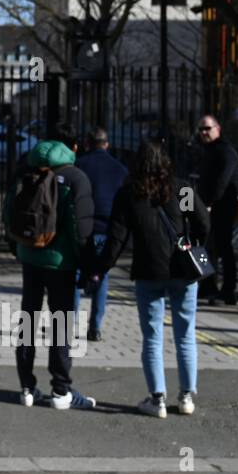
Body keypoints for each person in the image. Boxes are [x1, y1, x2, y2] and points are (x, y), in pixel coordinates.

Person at [93, 141, 209, 418]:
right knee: (185, 334)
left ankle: (157, 399)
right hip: (182, 269)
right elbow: (203, 222)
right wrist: (194, 244)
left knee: (152, 337)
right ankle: (186, 397)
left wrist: (99, 269)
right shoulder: (182, 189)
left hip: (148, 270)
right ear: (165, 163)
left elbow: (116, 239)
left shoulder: (129, 194)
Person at [4, 137, 97, 410]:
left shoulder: (24, 172)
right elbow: (80, 227)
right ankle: (61, 390)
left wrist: (18, 248)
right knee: (60, 325)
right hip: (61, 263)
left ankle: (26, 387)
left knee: (28, 321)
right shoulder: (75, 178)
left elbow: (8, 213)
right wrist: (88, 265)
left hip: (29, 257)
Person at [74, 127, 128, 342]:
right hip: (107, 229)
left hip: (84, 228)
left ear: (88, 143)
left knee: (76, 276)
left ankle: (68, 323)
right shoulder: (120, 169)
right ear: (107, 144)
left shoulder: (80, 165)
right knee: (102, 276)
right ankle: (95, 327)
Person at [192, 114, 238, 306]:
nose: (204, 132)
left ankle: (228, 291)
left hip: (221, 205)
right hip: (207, 204)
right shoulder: (208, 150)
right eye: (201, 129)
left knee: (223, 248)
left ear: (218, 128)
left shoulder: (225, 151)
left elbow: (222, 181)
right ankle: (208, 285)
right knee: (203, 246)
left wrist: (210, 202)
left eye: (207, 128)